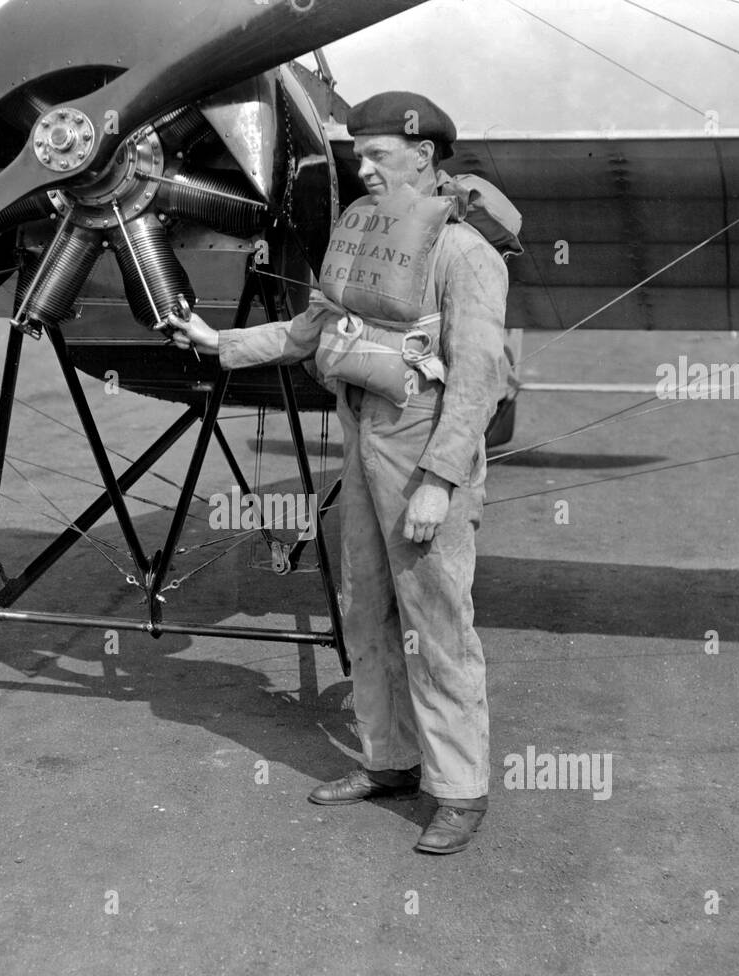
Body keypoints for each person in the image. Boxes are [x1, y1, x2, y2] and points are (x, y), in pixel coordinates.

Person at [167, 91, 512, 855]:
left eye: (378, 155)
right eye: (359, 155)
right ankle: (388, 761)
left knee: (437, 622)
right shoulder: (363, 243)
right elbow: (305, 333)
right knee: (362, 608)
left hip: (423, 447)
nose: (363, 168)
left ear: (423, 156)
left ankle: (459, 789)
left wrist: (438, 481)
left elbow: (476, 380)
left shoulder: (464, 255)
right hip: (361, 439)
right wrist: (215, 341)